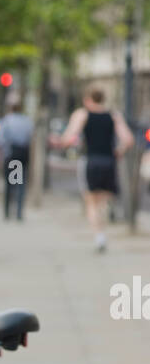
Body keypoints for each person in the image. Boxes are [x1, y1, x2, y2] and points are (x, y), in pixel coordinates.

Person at [56, 86, 134, 252]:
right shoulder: (114, 115)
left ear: (87, 99)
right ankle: (102, 232)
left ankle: (99, 236)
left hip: (91, 160)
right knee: (103, 202)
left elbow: (69, 138)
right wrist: (118, 151)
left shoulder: (82, 114)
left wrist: (62, 142)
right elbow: (128, 139)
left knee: (91, 202)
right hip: (109, 161)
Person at [0, 97, 33, 220]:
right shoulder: (27, 121)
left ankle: (6, 212)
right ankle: (19, 212)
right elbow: (30, 138)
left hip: (10, 155)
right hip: (22, 155)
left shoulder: (5, 121)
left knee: (9, 184)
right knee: (20, 183)